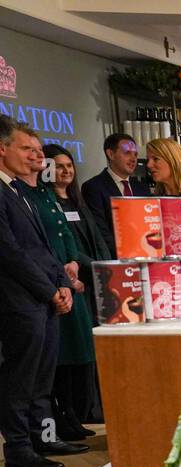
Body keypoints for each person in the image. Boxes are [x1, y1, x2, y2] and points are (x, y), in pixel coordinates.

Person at [0, 117, 77, 467]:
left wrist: (61, 282)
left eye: (37, 149)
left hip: (43, 299)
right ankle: (18, 447)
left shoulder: (20, 192)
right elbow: (10, 252)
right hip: (19, 302)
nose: (36, 156)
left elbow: (43, 248)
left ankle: (40, 437)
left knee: (41, 376)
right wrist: (50, 290)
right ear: (3, 149)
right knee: (20, 377)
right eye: (27, 148)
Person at [40, 144, 110, 440]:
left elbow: (93, 239)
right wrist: (84, 268)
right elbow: (65, 248)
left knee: (86, 354)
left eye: (69, 165)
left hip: (94, 284)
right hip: (72, 286)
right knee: (68, 356)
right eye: (59, 166)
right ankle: (65, 416)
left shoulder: (78, 201)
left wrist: (106, 268)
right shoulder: (45, 203)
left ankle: (81, 413)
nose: (66, 170)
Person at [80, 133, 142, 257]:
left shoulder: (141, 187)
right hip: (116, 260)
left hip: (144, 256)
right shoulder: (93, 187)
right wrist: (126, 254)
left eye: (135, 154)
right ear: (111, 154)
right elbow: (100, 231)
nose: (133, 159)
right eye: (127, 153)